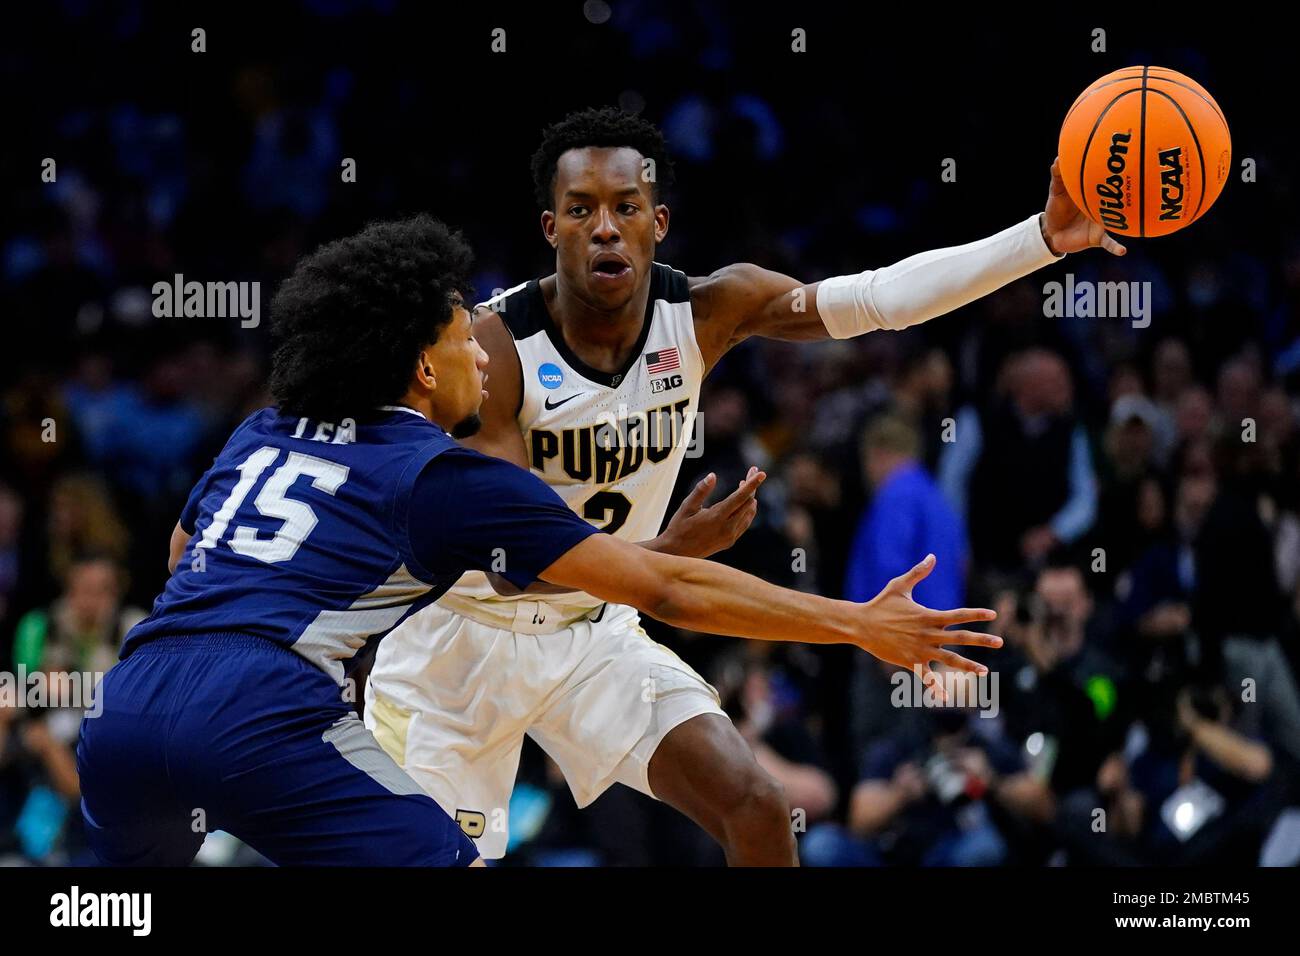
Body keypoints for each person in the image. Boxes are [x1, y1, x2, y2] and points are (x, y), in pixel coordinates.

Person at [76, 215, 1001, 867]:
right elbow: (668, 595)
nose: (479, 353)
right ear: (418, 367)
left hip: (131, 700)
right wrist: (856, 622)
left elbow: (181, 553)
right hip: (293, 700)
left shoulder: (269, 424)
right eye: (457, 340)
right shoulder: (446, 478)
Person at [366, 106, 1123, 864]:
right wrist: (664, 555)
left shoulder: (706, 310)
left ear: (657, 222)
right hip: (459, 650)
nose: (605, 227)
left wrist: (1041, 240)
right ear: (550, 228)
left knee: (758, 806)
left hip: (593, 631)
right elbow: (513, 566)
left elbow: (879, 301)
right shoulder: (495, 349)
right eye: (581, 210)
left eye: (625, 207)